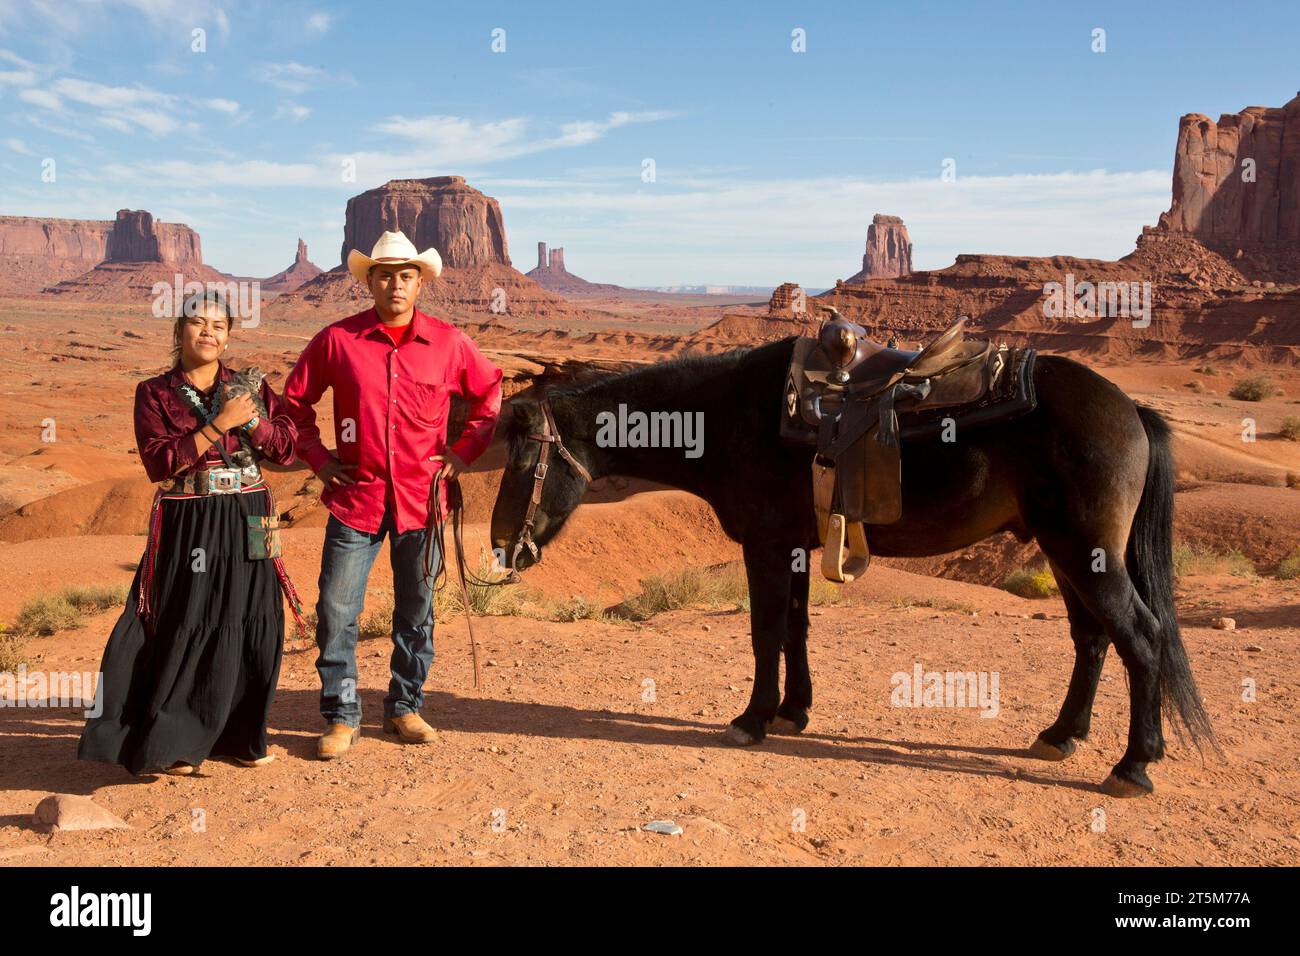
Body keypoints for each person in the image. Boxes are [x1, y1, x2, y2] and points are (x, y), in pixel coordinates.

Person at [282, 230, 502, 760]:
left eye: (406, 276)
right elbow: (293, 404)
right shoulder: (338, 341)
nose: (396, 285)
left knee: (417, 610)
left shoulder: (449, 344)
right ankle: (342, 715)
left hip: (422, 503)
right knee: (337, 609)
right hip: (356, 500)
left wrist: (460, 455)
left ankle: (405, 706)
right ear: (370, 281)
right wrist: (318, 459)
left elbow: (488, 396)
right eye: (385, 275)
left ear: (419, 282)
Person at [79, 290, 304, 776]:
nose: (209, 332)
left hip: (251, 512)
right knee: (187, 616)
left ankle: (241, 736)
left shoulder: (252, 387)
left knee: (251, 617)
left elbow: (287, 449)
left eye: (219, 325)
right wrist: (217, 425)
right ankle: (171, 742)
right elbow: (159, 462)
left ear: (228, 336)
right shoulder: (154, 393)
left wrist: (256, 427)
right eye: (198, 323)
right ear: (178, 331)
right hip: (190, 516)